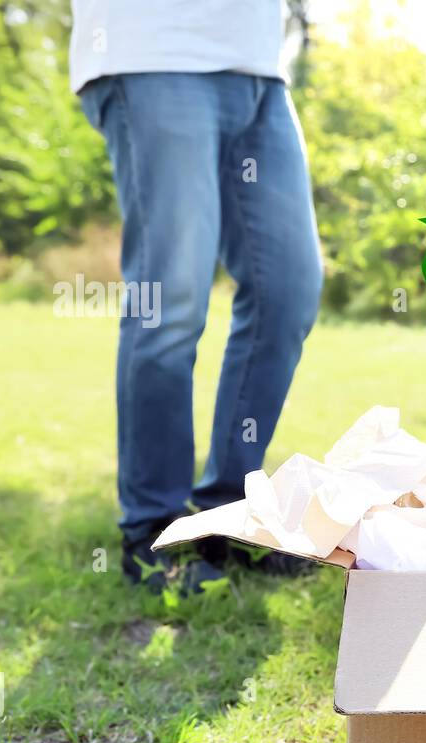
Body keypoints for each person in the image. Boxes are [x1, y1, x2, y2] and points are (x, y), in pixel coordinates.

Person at [69, 1, 324, 590]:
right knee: (170, 301)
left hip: (260, 64)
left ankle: (227, 513)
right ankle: (154, 528)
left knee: (287, 289)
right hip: (152, 50)